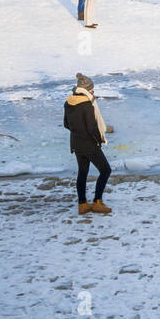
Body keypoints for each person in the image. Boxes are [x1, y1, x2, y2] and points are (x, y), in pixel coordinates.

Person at [64, 72, 110, 214]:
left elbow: (66, 124)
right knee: (105, 170)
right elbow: (92, 127)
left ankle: (82, 205)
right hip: (89, 144)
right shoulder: (86, 104)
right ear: (86, 89)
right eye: (92, 89)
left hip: (76, 143)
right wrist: (98, 140)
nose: (92, 91)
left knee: (82, 172)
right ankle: (97, 202)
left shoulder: (68, 102)